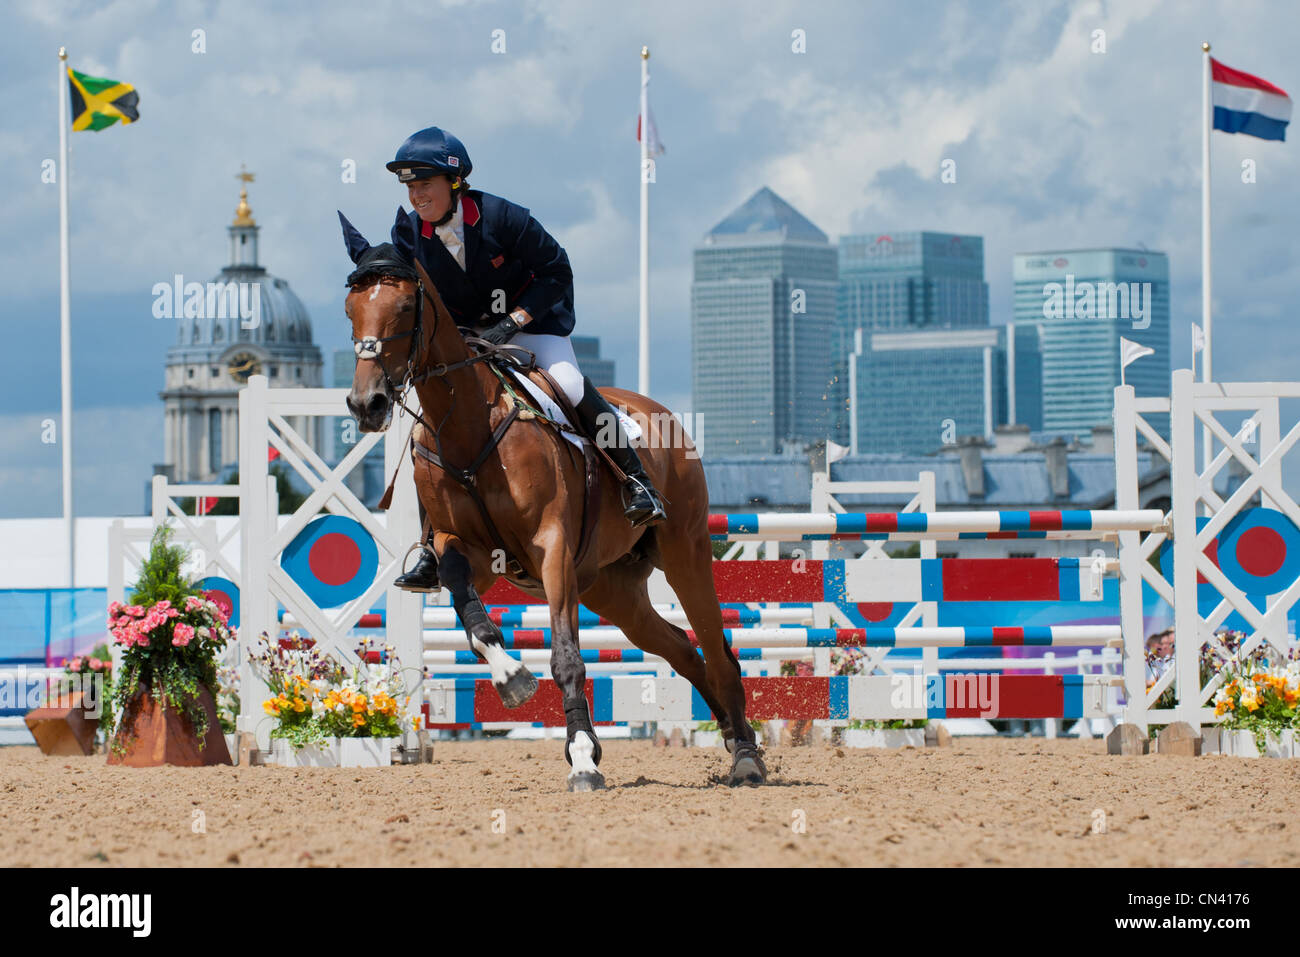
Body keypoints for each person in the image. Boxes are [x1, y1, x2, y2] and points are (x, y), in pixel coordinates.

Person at [384, 127, 667, 592]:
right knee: (430, 428)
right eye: (410, 188)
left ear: (455, 183)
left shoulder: (502, 217)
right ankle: (430, 548)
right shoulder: (409, 233)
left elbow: (556, 270)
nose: (416, 196)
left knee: (569, 386)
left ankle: (637, 482)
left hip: (531, 327)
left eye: (425, 185)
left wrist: (514, 320)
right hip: (468, 341)